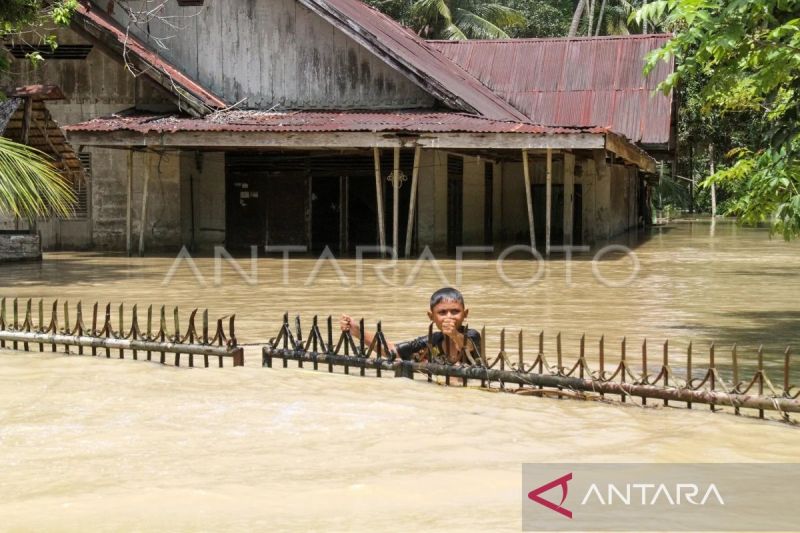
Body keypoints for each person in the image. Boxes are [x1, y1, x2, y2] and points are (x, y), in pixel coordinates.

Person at [339, 287, 482, 365]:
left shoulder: (472, 335)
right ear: (431, 317)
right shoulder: (432, 341)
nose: (449, 316)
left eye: (455, 311)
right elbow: (391, 351)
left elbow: (468, 346)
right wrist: (357, 331)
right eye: (442, 312)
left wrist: (454, 334)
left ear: (465, 314)